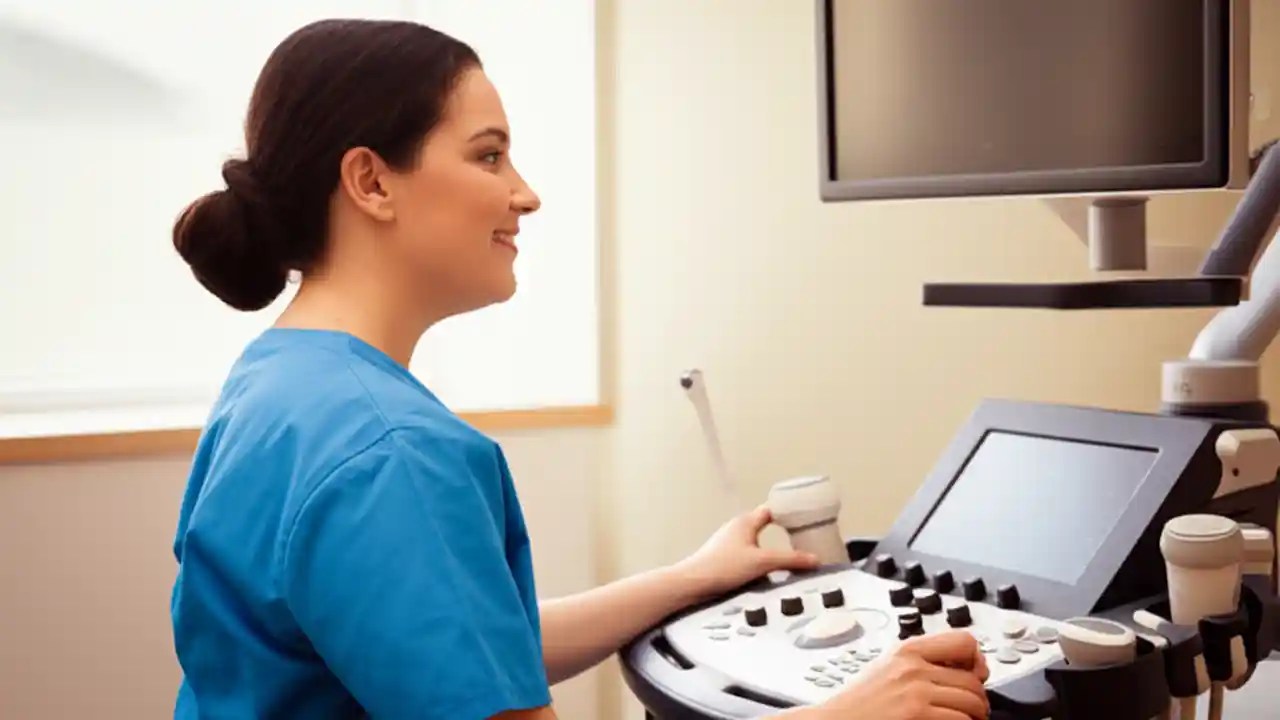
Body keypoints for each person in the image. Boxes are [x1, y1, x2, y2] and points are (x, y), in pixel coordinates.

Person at [167, 18, 991, 720]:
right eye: (489, 157)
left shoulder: (278, 383)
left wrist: (690, 579)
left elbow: (470, 646)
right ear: (371, 181)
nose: (525, 195)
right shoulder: (392, 453)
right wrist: (843, 713)